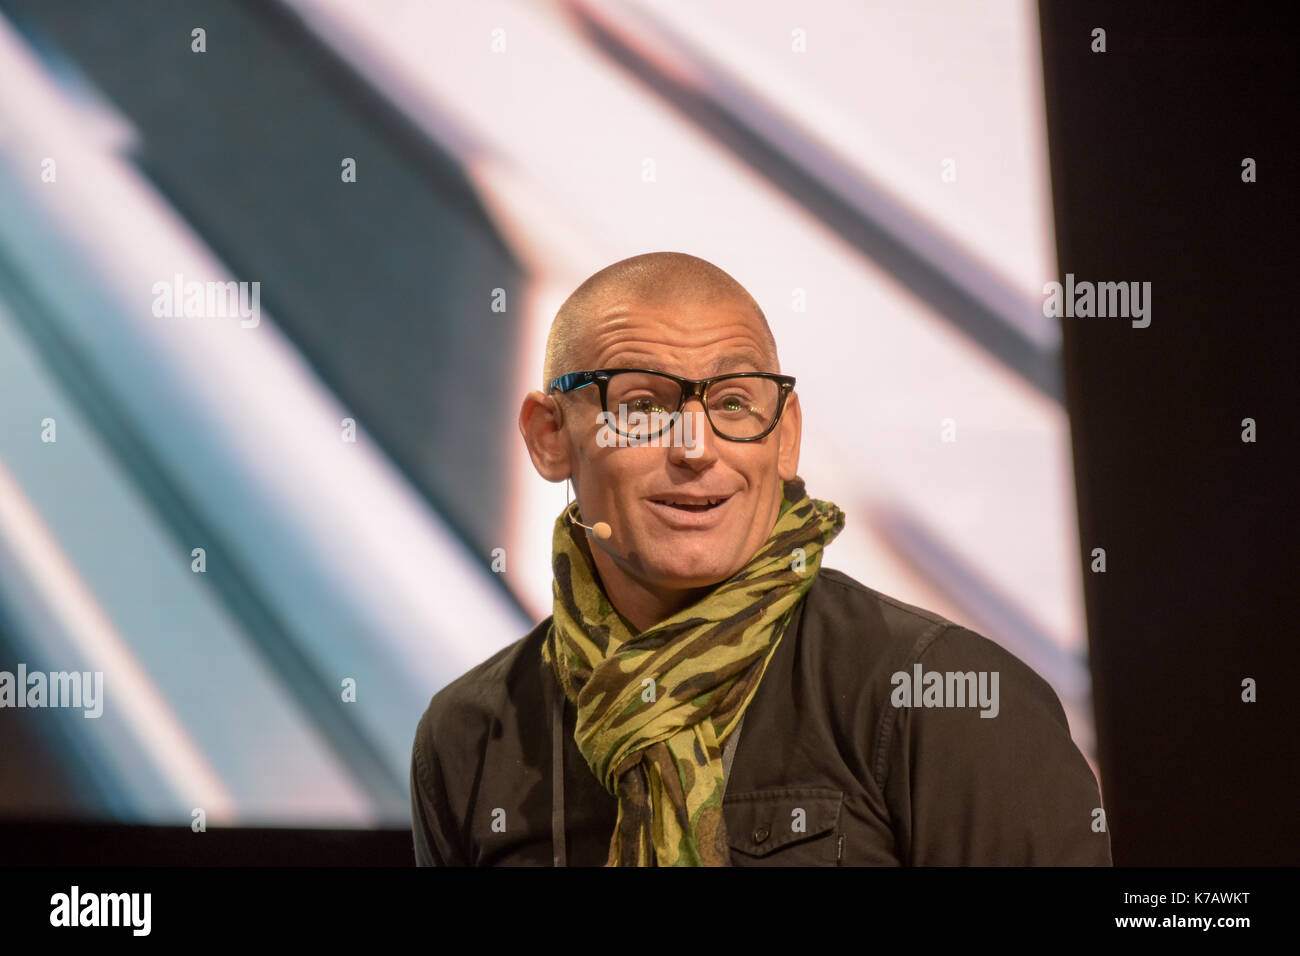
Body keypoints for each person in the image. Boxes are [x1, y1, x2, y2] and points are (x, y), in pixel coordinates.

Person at [410, 251, 1111, 866]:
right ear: (550, 435)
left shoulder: (946, 696)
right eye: (643, 403)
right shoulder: (471, 734)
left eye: (736, 402)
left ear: (784, 437)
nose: (695, 447)